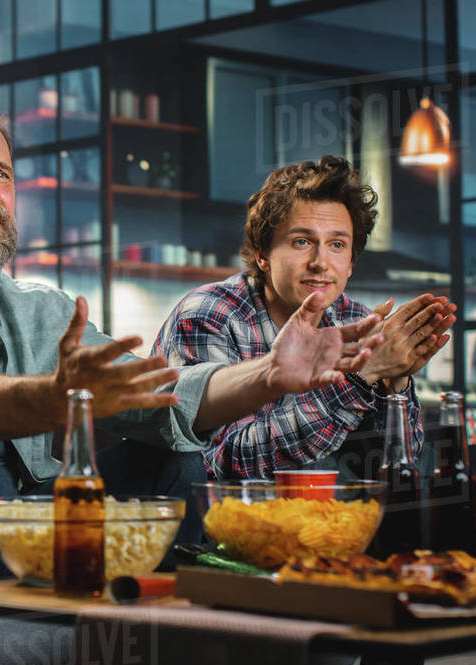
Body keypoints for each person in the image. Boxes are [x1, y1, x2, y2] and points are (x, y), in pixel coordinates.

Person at [0, 85, 386, 589]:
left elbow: (161, 394)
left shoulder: (43, 309)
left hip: (32, 531)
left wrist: (269, 376)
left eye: (2, 173)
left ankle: (177, 643)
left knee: (173, 459)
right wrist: (55, 398)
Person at [152, 155, 456, 480]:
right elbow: (225, 464)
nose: (321, 262)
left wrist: (393, 383)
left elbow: (394, 468)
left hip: (326, 509)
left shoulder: (355, 320)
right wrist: (360, 377)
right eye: (302, 241)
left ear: (351, 263)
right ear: (263, 254)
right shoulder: (210, 315)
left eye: (337, 244)